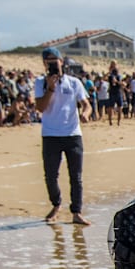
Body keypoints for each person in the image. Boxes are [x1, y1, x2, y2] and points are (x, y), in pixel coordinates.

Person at [33, 47, 90, 225]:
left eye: (55, 61)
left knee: (76, 176)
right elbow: (40, 108)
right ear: (44, 64)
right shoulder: (40, 83)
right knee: (51, 175)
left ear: (61, 62)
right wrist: (50, 88)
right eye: (48, 62)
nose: (52, 65)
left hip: (72, 134)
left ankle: (76, 211)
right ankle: (56, 205)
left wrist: (86, 113)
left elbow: (86, 104)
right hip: (50, 134)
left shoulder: (74, 83)